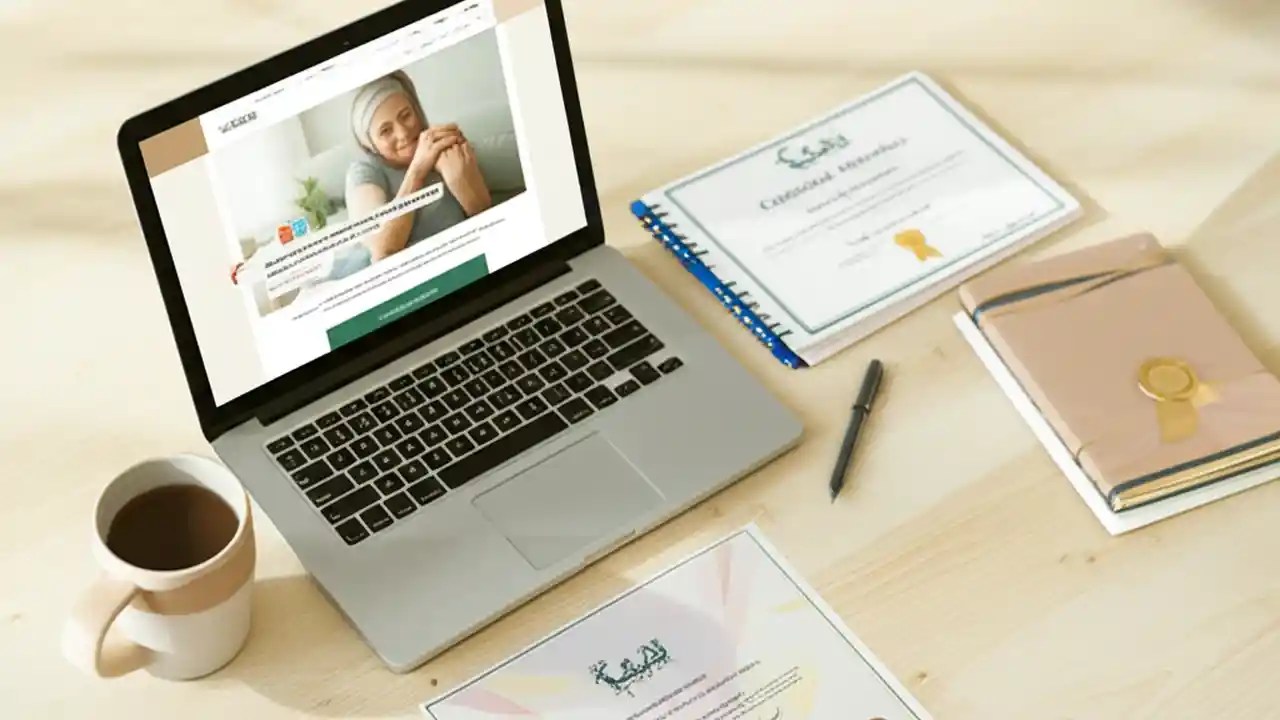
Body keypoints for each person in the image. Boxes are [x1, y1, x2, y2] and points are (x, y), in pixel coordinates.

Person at [331, 70, 498, 279]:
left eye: (406, 115)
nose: (402, 133)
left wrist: (458, 180)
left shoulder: (441, 144)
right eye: (385, 131)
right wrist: (417, 170)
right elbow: (382, 249)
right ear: (370, 143)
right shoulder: (364, 171)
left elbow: (486, 218)